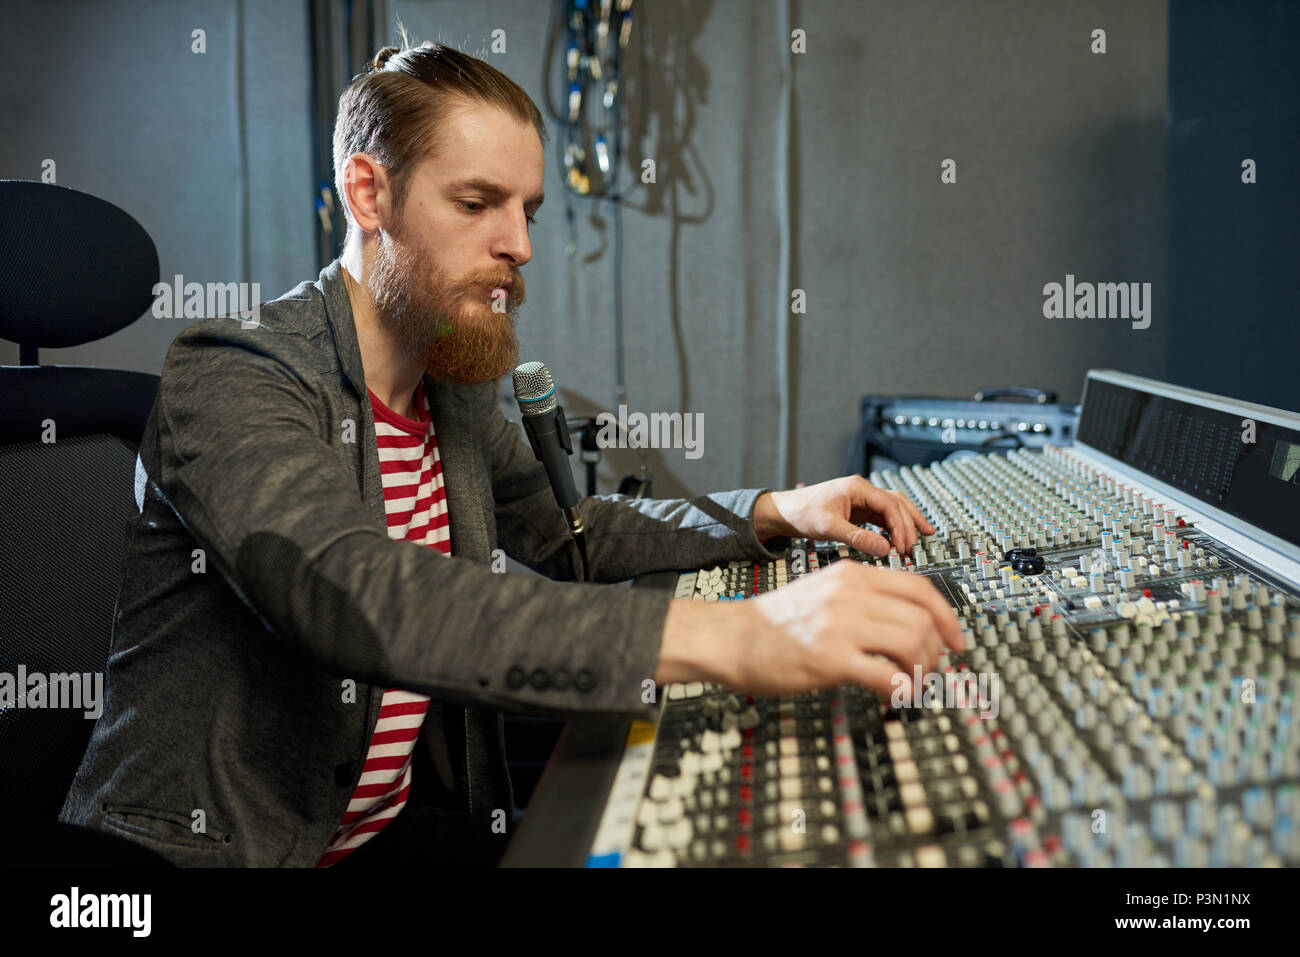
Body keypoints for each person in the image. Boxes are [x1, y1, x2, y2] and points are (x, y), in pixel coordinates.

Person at [60, 39, 961, 867]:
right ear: (368, 193)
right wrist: (744, 634)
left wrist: (777, 510)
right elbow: (355, 595)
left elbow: (575, 532)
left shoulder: (447, 387)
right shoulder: (234, 372)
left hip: (389, 837)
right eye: (477, 203)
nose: (519, 247)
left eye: (526, 210)